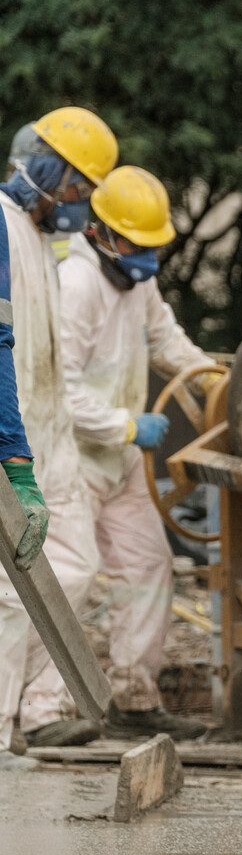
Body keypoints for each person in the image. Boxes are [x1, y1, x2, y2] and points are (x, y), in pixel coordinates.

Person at [58, 166, 216, 743]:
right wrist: (125, 425)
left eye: (153, 248)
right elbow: (57, 387)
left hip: (122, 456)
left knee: (148, 567)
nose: (147, 259)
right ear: (101, 233)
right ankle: (39, 710)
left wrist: (211, 380)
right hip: (70, 454)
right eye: (137, 246)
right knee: (66, 577)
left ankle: (134, 697)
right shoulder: (76, 285)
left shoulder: (137, 281)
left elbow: (166, 340)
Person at [0, 109, 116, 764]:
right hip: (14, 434)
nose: (78, 202)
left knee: (78, 565)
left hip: (53, 435)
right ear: (45, 169)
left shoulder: (46, 242)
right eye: (75, 186)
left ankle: (38, 708)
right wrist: (12, 452)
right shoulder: (0, 225)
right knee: (8, 596)